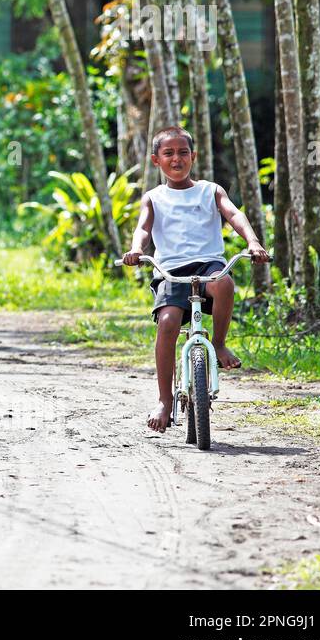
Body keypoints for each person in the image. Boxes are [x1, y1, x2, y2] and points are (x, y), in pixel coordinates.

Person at [121, 125, 270, 434]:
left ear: (194, 156)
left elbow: (234, 214)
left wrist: (252, 242)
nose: (177, 159)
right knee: (168, 322)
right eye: (169, 153)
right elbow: (144, 229)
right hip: (170, 271)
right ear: (156, 161)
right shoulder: (153, 197)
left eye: (183, 152)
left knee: (224, 282)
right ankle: (164, 400)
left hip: (208, 265)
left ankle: (218, 343)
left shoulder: (210, 190)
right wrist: (137, 249)